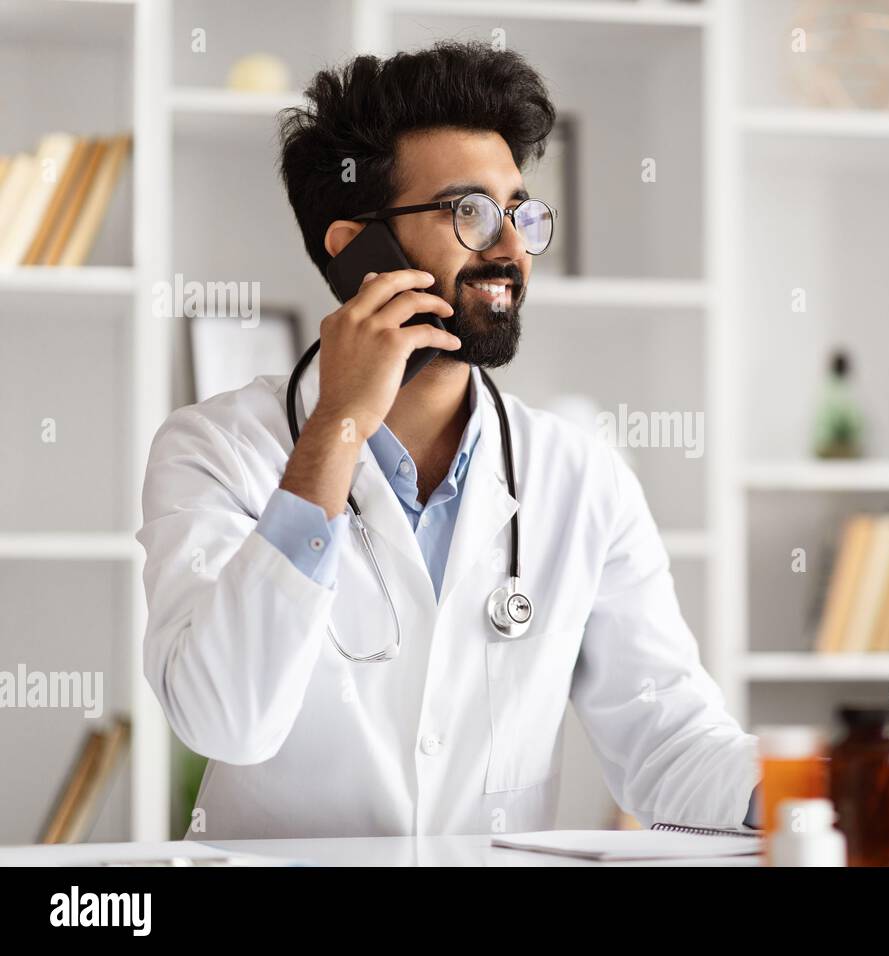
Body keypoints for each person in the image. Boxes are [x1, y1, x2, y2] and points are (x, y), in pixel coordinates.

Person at [136, 42, 758, 839]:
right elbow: (225, 719)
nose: (509, 249)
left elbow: (669, 743)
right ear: (358, 248)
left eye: (519, 212)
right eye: (468, 212)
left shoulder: (579, 475)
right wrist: (335, 430)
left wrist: (816, 789)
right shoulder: (213, 451)